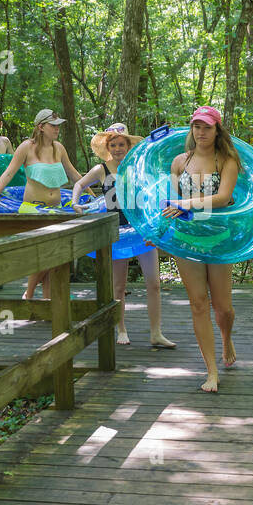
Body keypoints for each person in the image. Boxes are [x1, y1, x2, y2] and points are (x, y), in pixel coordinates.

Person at [71, 123, 177, 349]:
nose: (118, 148)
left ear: (129, 146)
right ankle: (121, 329)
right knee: (118, 285)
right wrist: (75, 202)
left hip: (141, 231)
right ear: (108, 147)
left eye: (121, 144)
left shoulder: (139, 168)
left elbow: (157, 190)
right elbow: (80, 183)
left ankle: (156, 333)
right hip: (116, 233)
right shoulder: (102, 169)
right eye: (113, 145)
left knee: (154, 284)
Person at [160, 105, 241, 393]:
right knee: (198, 304)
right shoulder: (180, 162)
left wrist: (186, 204)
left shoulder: (226, 160)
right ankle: (211, 371)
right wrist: (157, 232)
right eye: (196, 126)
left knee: (224, 308)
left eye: (207, 126)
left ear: (217, 129)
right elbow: (170, 202)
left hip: (218, 238)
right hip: (186, 240)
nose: (201, 132)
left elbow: (223, 197)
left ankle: (226, 336)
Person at [0, 108, 85, 299]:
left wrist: (90, 192)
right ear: (41, 127)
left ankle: (46, 300)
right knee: (47, 254)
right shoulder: (26, 147)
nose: (57, 129)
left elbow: (73, 174)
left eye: (58, 126)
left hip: (56, 209)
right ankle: (29, 294)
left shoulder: (59, 148)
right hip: (33, 209)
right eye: (53, 125)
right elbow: (8, 174)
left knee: (55, 256)